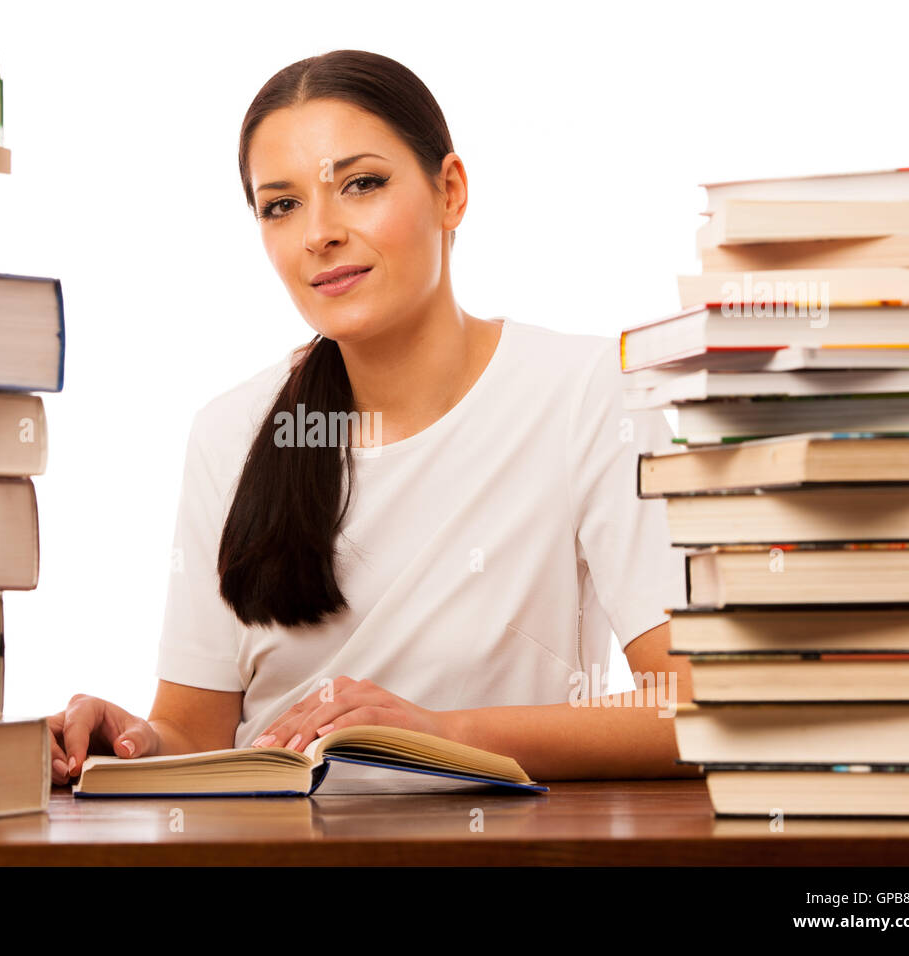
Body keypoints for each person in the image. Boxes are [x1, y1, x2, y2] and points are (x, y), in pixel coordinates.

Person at [49, 48, 696, 786]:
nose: (318, 233)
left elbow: (693, 708)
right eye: (281, 205)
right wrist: (131, 741)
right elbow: (197, 731)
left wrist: (439, 735)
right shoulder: (229, 432)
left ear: (450, 192)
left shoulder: (584, 394)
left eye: (361, 184)